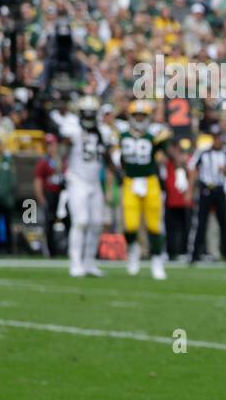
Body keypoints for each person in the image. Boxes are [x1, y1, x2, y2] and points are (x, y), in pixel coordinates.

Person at [51, 95, 113, 277]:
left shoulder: (103, 131)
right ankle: (75, 262)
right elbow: (62, 145)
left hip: (94, 182)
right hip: (77, 180)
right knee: (81, 221)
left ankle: (89, 262)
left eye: (91, 114)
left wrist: (114, 177)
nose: (88, 117)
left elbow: (107, 157)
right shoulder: (73, 129)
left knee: (96, 223)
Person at [115, 99, 171, 279]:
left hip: (150, 181)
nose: (139, 119)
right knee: (130, 225)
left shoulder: (156, 133)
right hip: (130, 181)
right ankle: (133, 250)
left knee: (154, 225)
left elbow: (166, 150)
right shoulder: (121, 133)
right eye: (136, 115)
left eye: (143, 115)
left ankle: (156, 260)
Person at [189, 124, 226, 264]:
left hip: (219, 189)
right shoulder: (203, 152)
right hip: (206, 189)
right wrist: (190, 190)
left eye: (219, 137)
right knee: (201, 223)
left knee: (224, 223)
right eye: (215, 137)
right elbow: (193, 168)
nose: (217, 140)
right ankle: (194, 255)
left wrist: (225, 170)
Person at [34, 134, 65, 258]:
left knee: (67, 221)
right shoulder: (44, 161)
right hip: (50, 194)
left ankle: (67, 249)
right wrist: (41, 198)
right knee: (49, 222)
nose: (50, 147)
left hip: (62, 194)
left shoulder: (62, 159)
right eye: (48, 145)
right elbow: (38, 180)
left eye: (51, 144)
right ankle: (51, 251)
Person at [162, 139, 191, 262]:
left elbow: (191, 172)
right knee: (170, 227)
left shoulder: (186, 161)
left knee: (184, 227)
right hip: (171, 199)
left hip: (183, 199)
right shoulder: (168, 161)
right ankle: (171, 252)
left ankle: (183, 251)